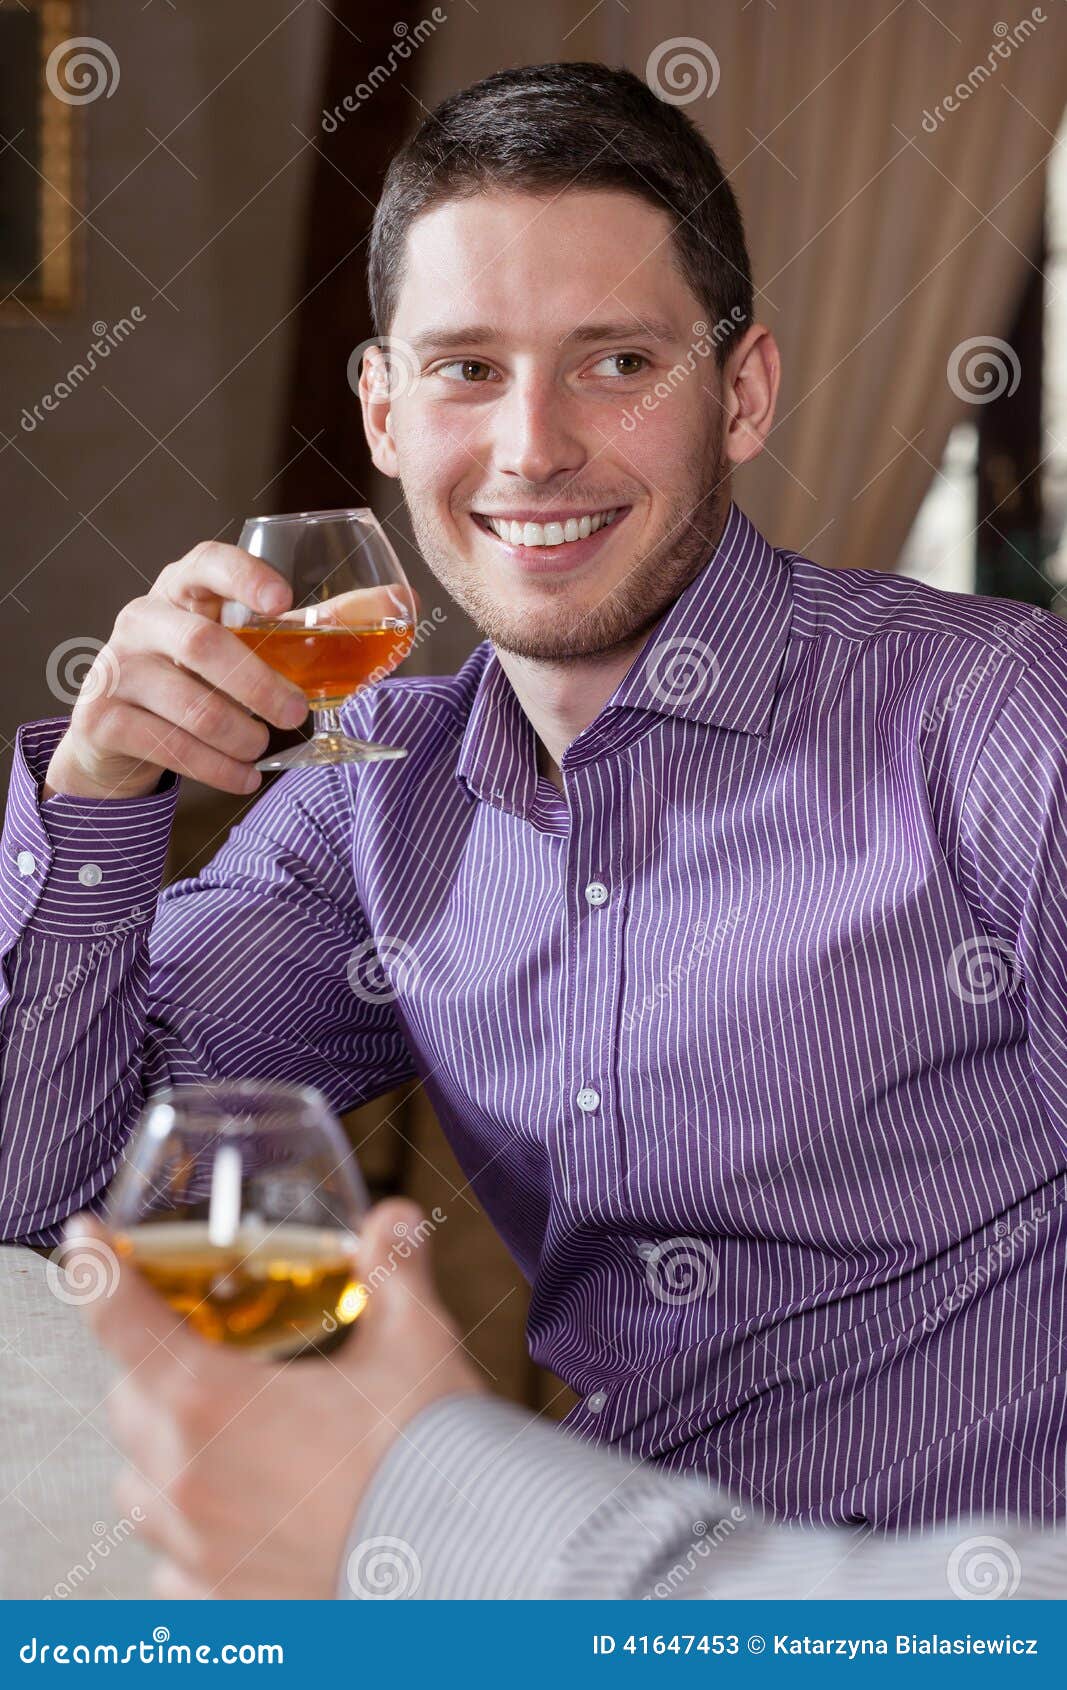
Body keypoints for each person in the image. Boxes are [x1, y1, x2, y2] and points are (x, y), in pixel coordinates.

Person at [2, 61, 1066, 1532]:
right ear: (382, 410)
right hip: (579, 1589)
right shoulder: (373, 792)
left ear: (740, 390)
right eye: (465, 368)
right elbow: (40, 1190)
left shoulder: (1002, 717)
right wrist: (97, 791)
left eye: (615, 362)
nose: (531, 446)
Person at [62, 1204, 1064, 1601]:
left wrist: (434, 1514)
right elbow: (54, 1191)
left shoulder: (1000, 767)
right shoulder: (396, 782)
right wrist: (101, 795)